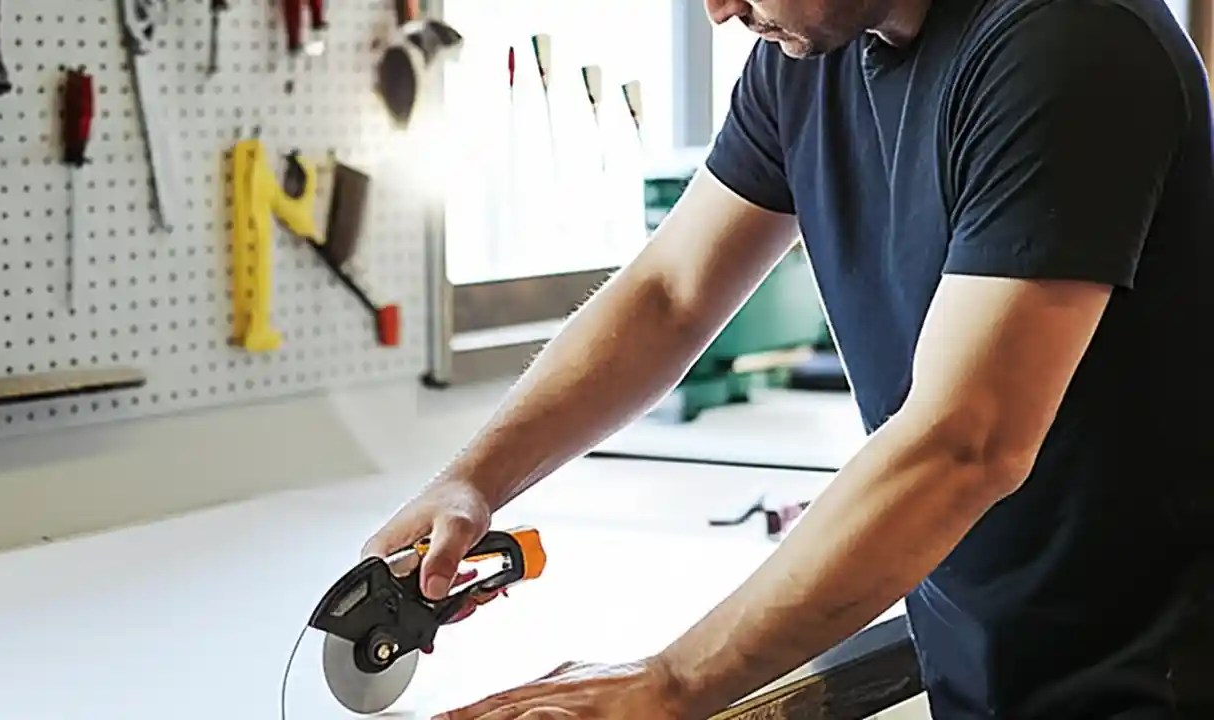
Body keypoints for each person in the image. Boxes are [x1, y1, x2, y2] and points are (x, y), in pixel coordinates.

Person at [361, 0, 1214, 716]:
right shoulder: (809, 54)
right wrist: (473, 480)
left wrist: (670, 684)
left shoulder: (1070, 43)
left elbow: (967, 443)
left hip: (1157, 672)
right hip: (990, 654)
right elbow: (672, 292)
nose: (720, 9)